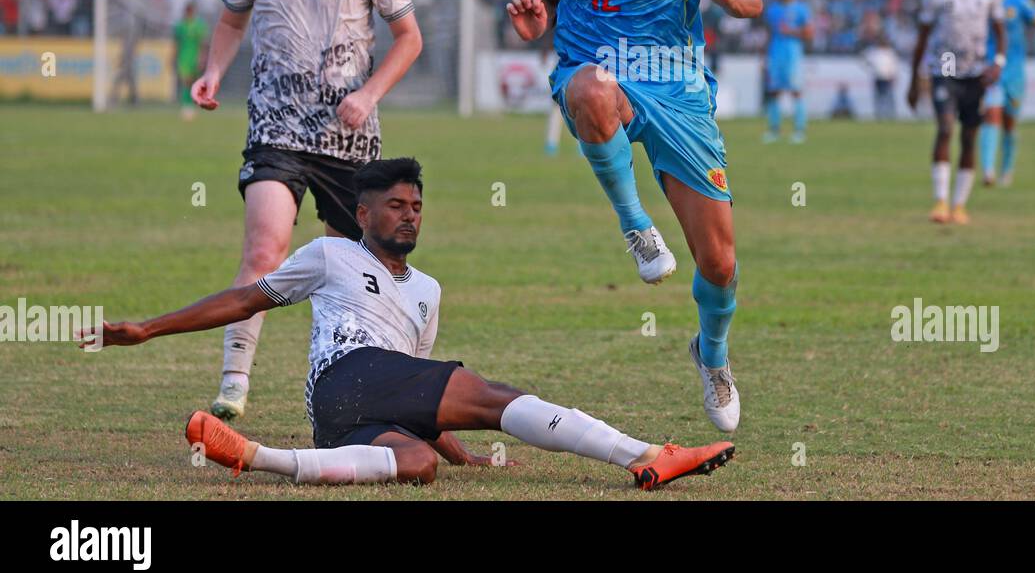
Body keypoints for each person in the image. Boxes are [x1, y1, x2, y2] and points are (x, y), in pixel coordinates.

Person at [79, 158, 733, 491]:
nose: (409, 216)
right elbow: (247, 299)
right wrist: (147, 329)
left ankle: (258, 458)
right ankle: (647, 456)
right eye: (395, 206)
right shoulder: (330, 253)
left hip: (344, 416)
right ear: (362, 214)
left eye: (417, 206)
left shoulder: (427, 291)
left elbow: (425, 401)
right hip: (348, 374)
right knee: (497, 397)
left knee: (417, 464)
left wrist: (459, 451)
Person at [506, 0, 763, 432]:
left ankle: (712, 355)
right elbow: (547, 1)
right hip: (595, 73)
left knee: (720, 264)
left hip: (676, 90)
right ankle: (637, 228)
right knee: (590, 87)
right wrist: (535, 23)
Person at [190, 0, 423, 420]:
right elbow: (230, 24)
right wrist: (213, 71)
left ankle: (361, 383)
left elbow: (408, 38)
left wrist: (369, 93)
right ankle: (234, 383)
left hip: (350, 139)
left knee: (358, 271)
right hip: (276, 130)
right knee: (266, 248)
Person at [907, 0, 1005, 225]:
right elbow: (923, 37)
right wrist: (914, 80)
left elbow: (1000, 32)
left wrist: (998, 62)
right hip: (945, 68)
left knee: (969, 136)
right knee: (946, 128)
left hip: (976, 72)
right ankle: (940, 201)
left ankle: (959, 204)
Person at [978, 0, 1035, 186]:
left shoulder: (1018, 2)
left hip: (1014, 71)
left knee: (1009, 122)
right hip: (990, 69)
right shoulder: (978, 4)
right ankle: (988, 170)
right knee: (991, 113)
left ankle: (1007, 170)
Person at [762, 0, 812, 143]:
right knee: (774, 91)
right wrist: (764, 56)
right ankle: (774, 130)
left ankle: (799, 130)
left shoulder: (801, 8)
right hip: (775, 53)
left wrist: (791, 32)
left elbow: (809, 33)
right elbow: (768, 34)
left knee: (796, 91)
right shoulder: (772, 9)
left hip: (793, 53)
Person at [173, 2, 208, 121]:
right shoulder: (180, 26)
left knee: (194, 83)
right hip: (184, 58)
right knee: (186, 82)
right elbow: (176, 43)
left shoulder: (199, 25)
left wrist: (202, 57)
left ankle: (194, 105)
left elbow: (202, 43)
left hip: (195, 57)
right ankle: (187, 106)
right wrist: (173, 56)